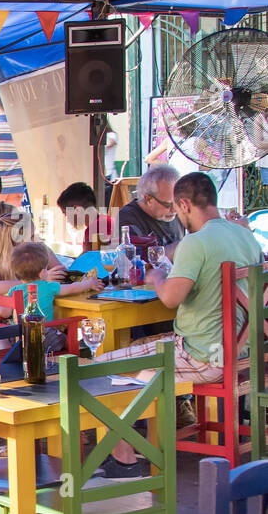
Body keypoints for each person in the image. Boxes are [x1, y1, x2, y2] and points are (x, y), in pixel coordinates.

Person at [94, 173, 264, 476]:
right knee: (142, 360)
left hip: (202, 356)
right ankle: (143, 444)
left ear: (184, 203)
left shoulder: (195, 243)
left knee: (98, 367)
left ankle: (125, 457)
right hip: (242, 351)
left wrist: (157, 275)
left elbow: (171, 299)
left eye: (177, 206)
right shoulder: (245, 235)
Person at [0, 210, 65, 316]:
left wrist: (57, 275)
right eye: (31, 237)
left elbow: (62, 271)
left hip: (40, 309)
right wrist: (37, 281)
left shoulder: (39, 249)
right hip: (8, 317)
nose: (35, 239)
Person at [117, 164, 184, 254]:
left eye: (178, 203)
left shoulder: (178, 213)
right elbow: (134, 261)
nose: (175, 210)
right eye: (168, 204)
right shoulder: (127, 218)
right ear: (148, 199)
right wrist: (179, 247)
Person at [56, 181, 112, 252]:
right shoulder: (109, 221)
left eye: (66, 214)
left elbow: (86, 260)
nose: (68, 220)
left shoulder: (95, 228)